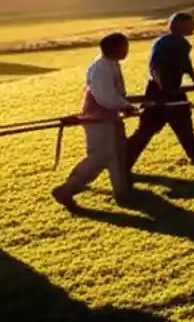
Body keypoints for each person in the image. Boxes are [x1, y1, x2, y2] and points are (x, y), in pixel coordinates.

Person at [52, 33, 136, 211]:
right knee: (99, 158)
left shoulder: (111, 64)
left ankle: (121, 192)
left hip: (109, 118)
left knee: (118, 154)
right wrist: (125, 106)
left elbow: (115, 93)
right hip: (98, 120)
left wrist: (125, 104)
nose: (126, 50)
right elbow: (106, 97)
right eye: (124, 47)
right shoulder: (101, 69)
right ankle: (66, 190)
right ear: (113, 49)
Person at [126, 12, 194, 171]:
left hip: (160, 89)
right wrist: (167, 87)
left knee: (148, 128)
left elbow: (179, 65)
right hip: (166, 90)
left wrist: (193, 80)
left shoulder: (168, 42)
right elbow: (162, 66)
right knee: (179, 123)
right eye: (191, 24)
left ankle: (124, 161)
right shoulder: (174, 43)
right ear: (180, 25)